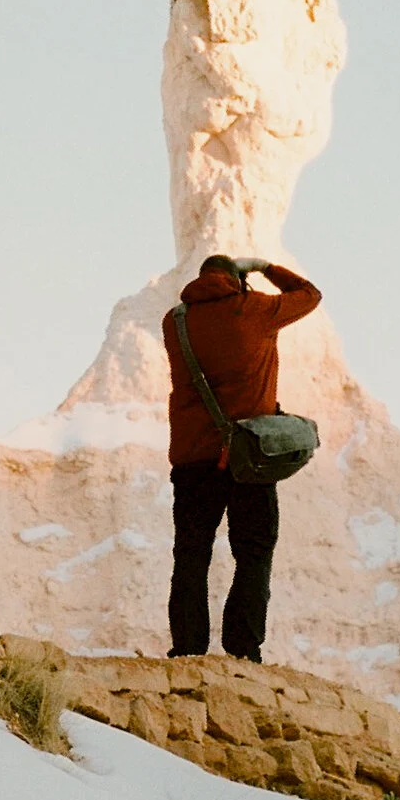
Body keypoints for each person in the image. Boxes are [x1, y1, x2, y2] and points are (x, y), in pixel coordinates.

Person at [164, 251, 320, 661]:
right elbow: (309, 294)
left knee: (191, 554)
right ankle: (243, 650)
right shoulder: (256, 309)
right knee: (253, 552)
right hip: (250, 457)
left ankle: (188, 649)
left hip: (193, 459)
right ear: (240, 281)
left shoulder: (175, 321)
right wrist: (265, 268)